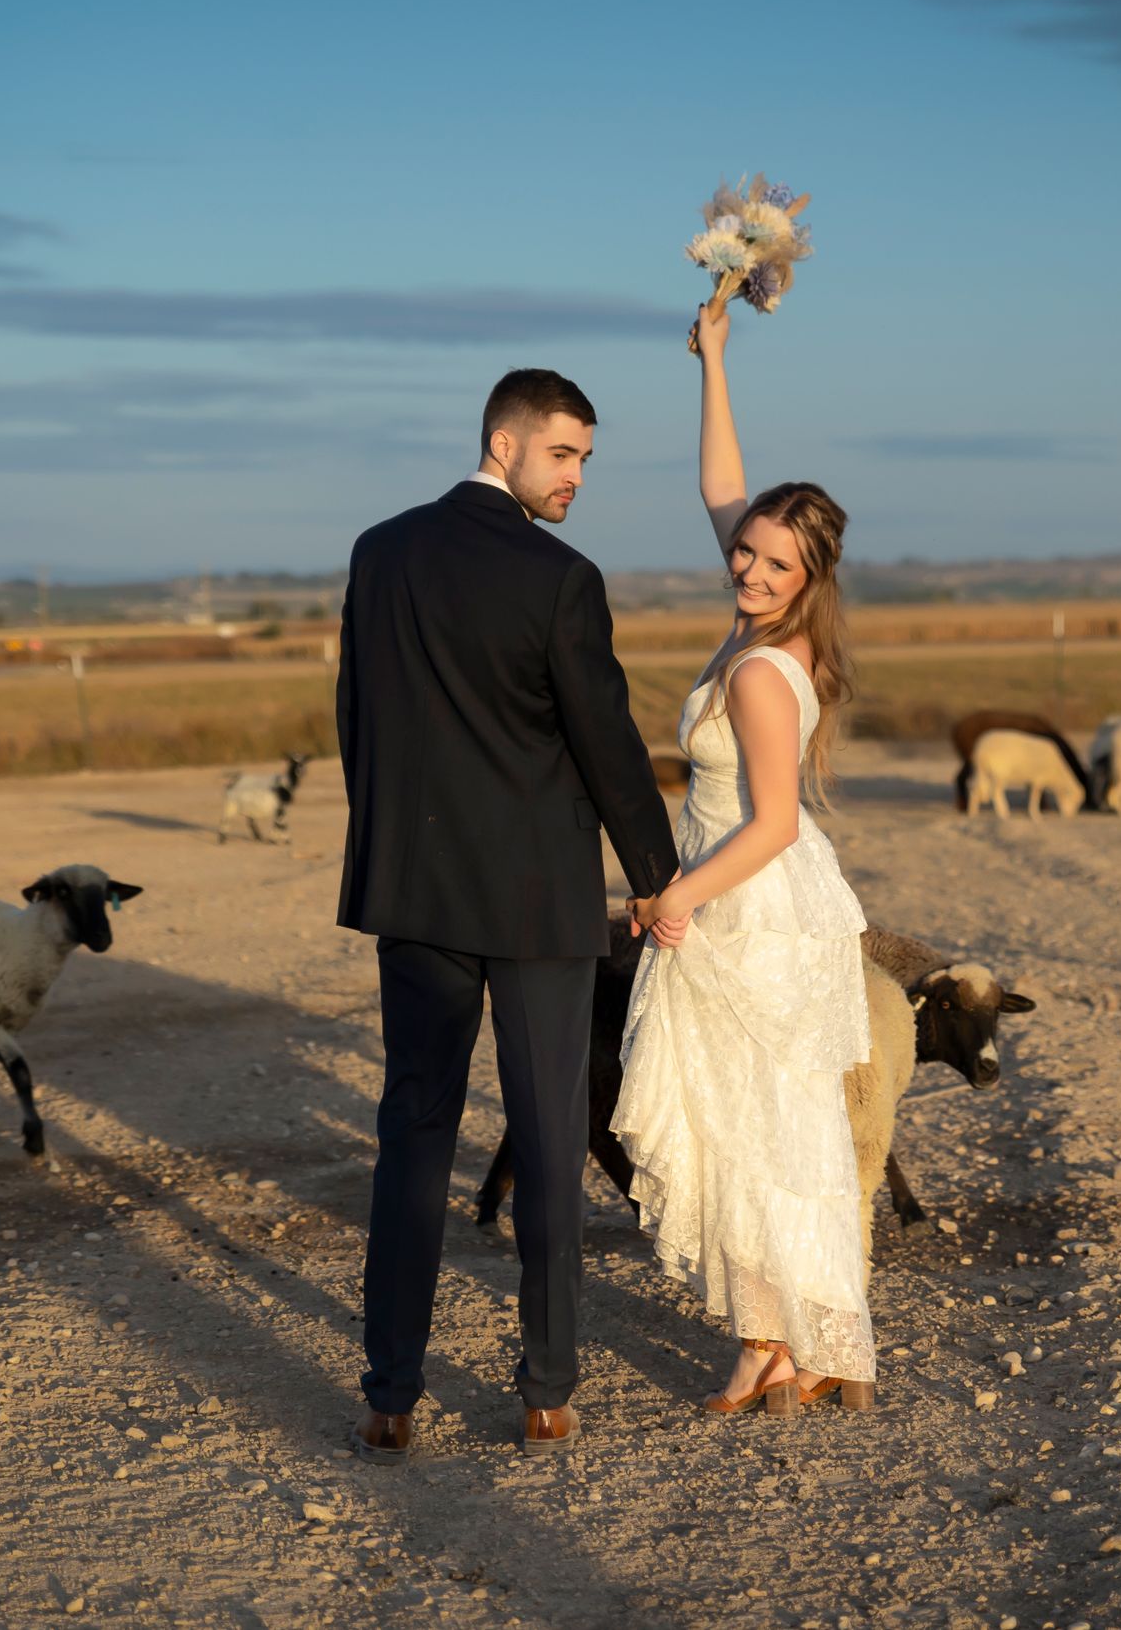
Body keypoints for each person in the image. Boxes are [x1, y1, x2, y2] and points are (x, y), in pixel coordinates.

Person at [334, 368, 680, 1461]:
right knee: (544, 1137)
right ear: (506, 441)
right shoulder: (560, 577)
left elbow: (360, 723)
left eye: (585, 457)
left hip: (418, 892)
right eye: (565, 454)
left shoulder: (378, 551)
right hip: (538, 902)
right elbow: (605, 741)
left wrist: (398, 844)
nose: (578, 476)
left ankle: (390, 1390)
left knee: (412, 1136)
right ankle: (545, 1388)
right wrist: (655, 870)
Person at [609, 298, 877, 1414]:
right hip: (742, 891)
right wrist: (714, 358)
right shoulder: (760, 626)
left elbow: (769, 821)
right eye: (746, 550)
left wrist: (674, 895)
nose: (750, 568)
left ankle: (792, 1335)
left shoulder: (765, 670)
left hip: (750, 899)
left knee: (767, 1125)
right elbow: (723, 483)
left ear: (809, 576)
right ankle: (771, 1335)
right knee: (740, 1119)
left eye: (775, 562)